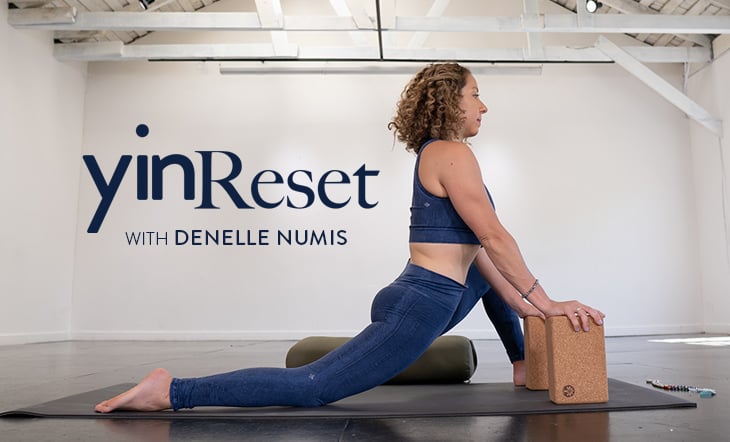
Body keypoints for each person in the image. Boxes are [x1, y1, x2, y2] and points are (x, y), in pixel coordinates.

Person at [95, 62, 604, 413]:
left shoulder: (444, 154)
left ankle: (520, 362)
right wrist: (549, 302)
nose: (483, 107)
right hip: (421, 304)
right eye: (475, 95)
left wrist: (530, 313)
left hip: (433, 292)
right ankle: (173, 391)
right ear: (452, 100)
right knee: (311, 386)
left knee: (489, 272)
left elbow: (482, 256)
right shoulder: (452, 153)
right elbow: (494, 234)